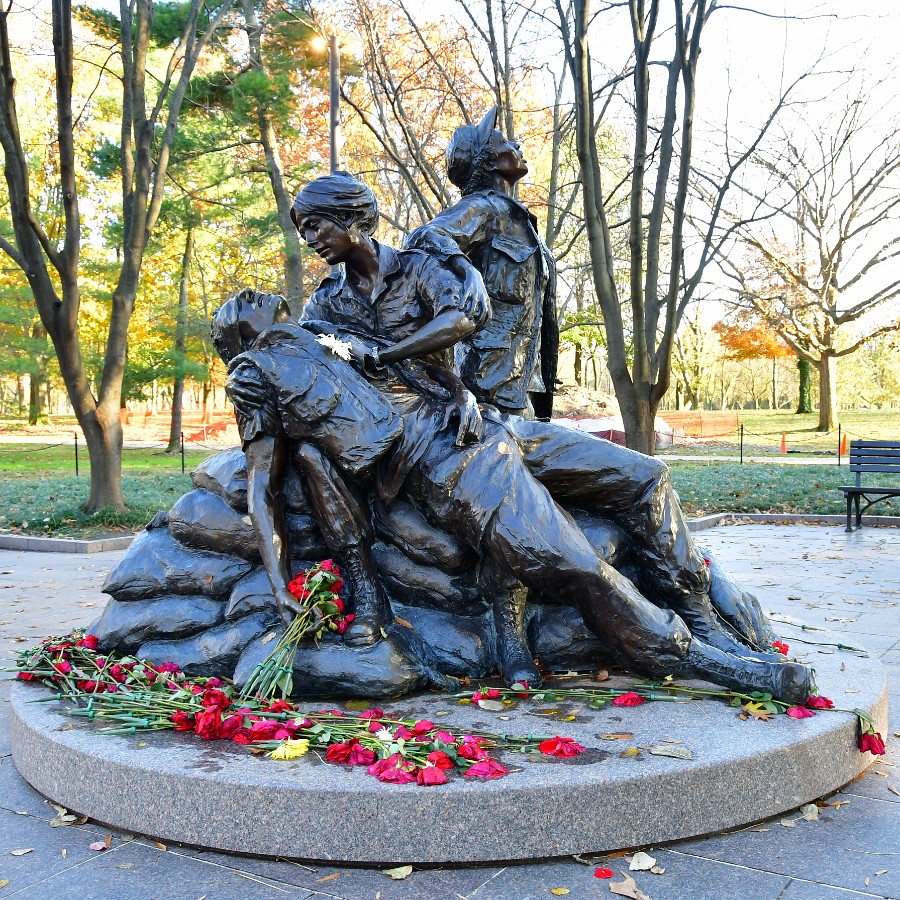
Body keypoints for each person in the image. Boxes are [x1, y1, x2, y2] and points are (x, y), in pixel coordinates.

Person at [287, 171, 811, 703]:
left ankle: (700, 615)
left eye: (317, 225)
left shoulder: (422, 269)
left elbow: (465, 316)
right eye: (304, 229)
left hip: (485, 420)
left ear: (356, 217)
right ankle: (708, 663)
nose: (310, 240)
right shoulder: (324, 307)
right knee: (571, 559)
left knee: (645, 477)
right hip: (439, 448)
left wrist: (431, 376)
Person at [404, 107, 558, 420]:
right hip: (488, 380)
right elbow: (425, 237)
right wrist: (466, 268)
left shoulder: (519, 220)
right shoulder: (482, 209)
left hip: (526, 380)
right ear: (489, 162)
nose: (517, 145)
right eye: (506, 143)